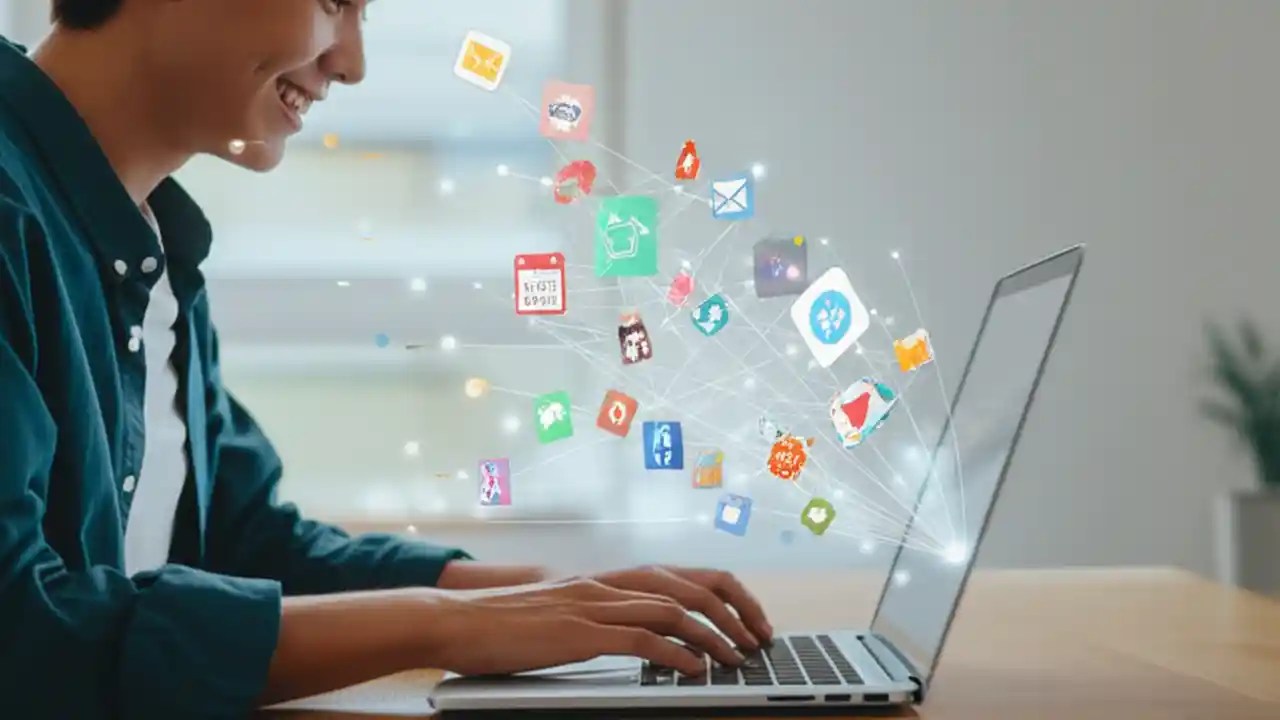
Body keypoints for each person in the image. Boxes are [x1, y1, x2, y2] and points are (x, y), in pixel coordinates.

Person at [0, 1, 773, 717]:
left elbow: (246, 546)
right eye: (335, 2)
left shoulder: (154, 245)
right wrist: (445, 625)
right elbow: (24, 632)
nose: (353, 63)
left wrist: (545, 594)